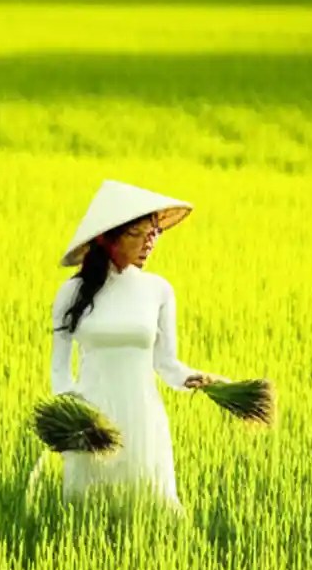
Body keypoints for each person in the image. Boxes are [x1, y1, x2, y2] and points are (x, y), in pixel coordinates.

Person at [50, 179, 222, 512]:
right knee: (87, 512)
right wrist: (73, 416)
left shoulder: (158, 290)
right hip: (91, 418)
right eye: (138, 234)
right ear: (106, 238)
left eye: (154, 233)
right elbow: (59, 367)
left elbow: (167, 364)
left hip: (142, 416)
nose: (150, 243)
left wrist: (195, 379)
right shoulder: (72, 293)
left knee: (148, 506)